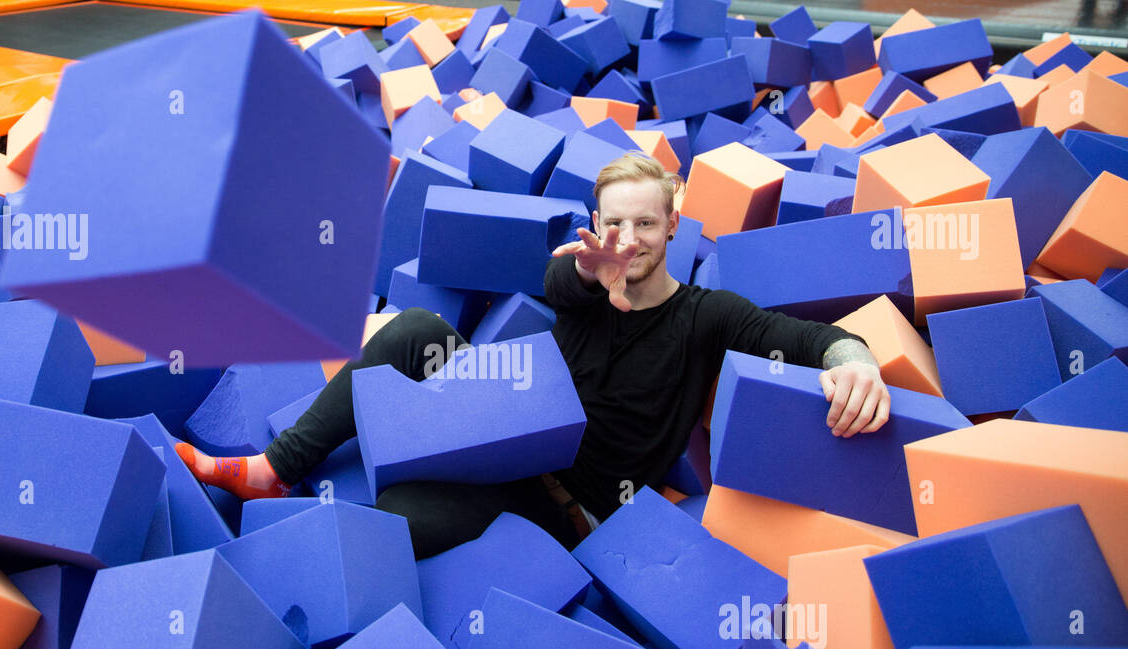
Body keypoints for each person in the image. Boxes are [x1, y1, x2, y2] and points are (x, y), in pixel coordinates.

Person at [176, 151, 891, 557]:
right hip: (492, 426)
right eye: (615, 224)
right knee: (411, 329)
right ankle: (275, 469)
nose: (630, 239)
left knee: (401, 512)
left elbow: (801, 339)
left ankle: (285, 550)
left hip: (562, 503)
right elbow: (562, 280)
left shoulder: (707, 317)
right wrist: (589, 273)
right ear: (595, 227)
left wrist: (853, 357)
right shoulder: (580, 279)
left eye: (646, 223)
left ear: (674, 225)